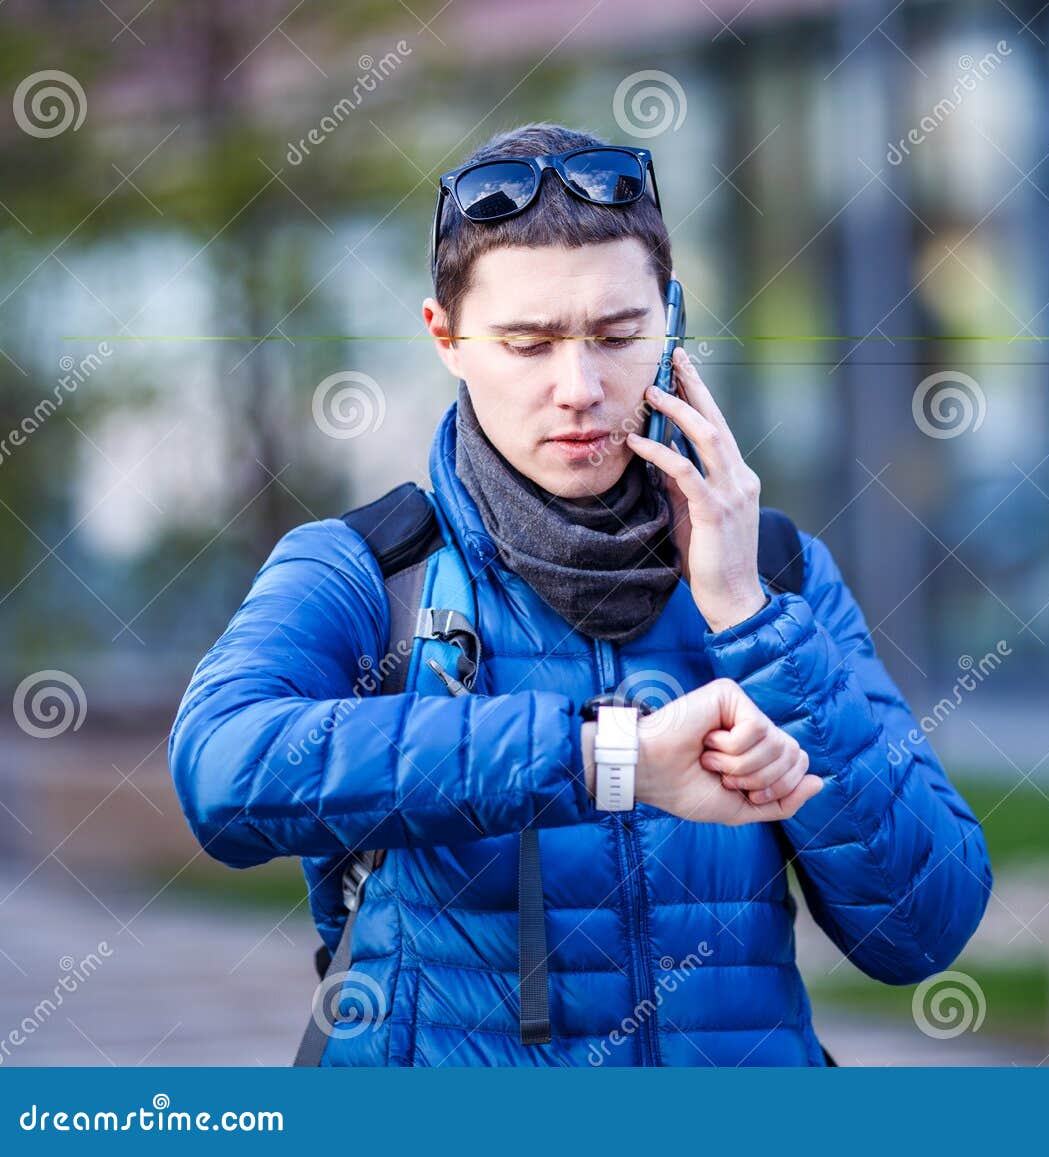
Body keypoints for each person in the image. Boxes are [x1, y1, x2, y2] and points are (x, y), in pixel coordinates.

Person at [167, 121, 992, 1066]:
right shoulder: (366, 570)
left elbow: (926, 930)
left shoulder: (777, 575)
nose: (581, 386)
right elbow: (221, 777)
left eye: (618, 334)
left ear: (672, 319)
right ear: (446, 338)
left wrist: (750, 622)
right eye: (528, 343)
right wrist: (612, 757)